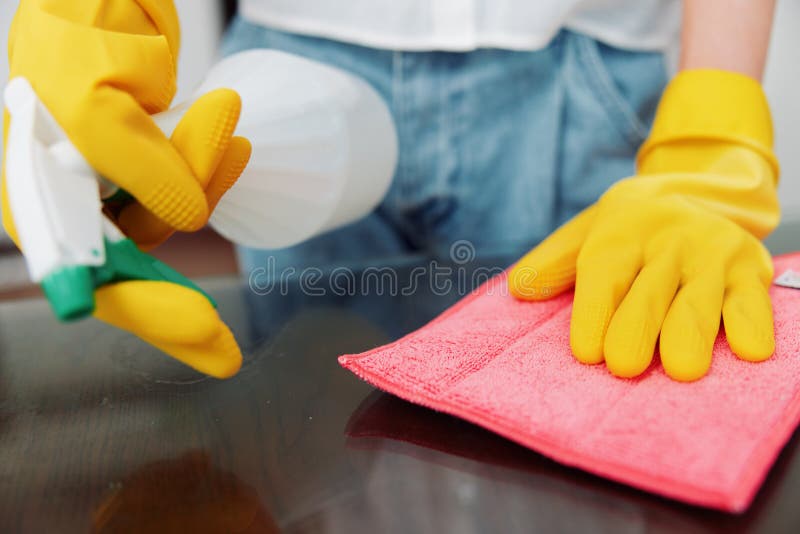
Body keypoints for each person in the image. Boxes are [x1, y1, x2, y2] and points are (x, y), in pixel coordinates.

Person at [2, 1, 782, 381]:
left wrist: (712, 116)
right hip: (285, 99)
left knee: (586, 433)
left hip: (578, 79)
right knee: (322, 448)